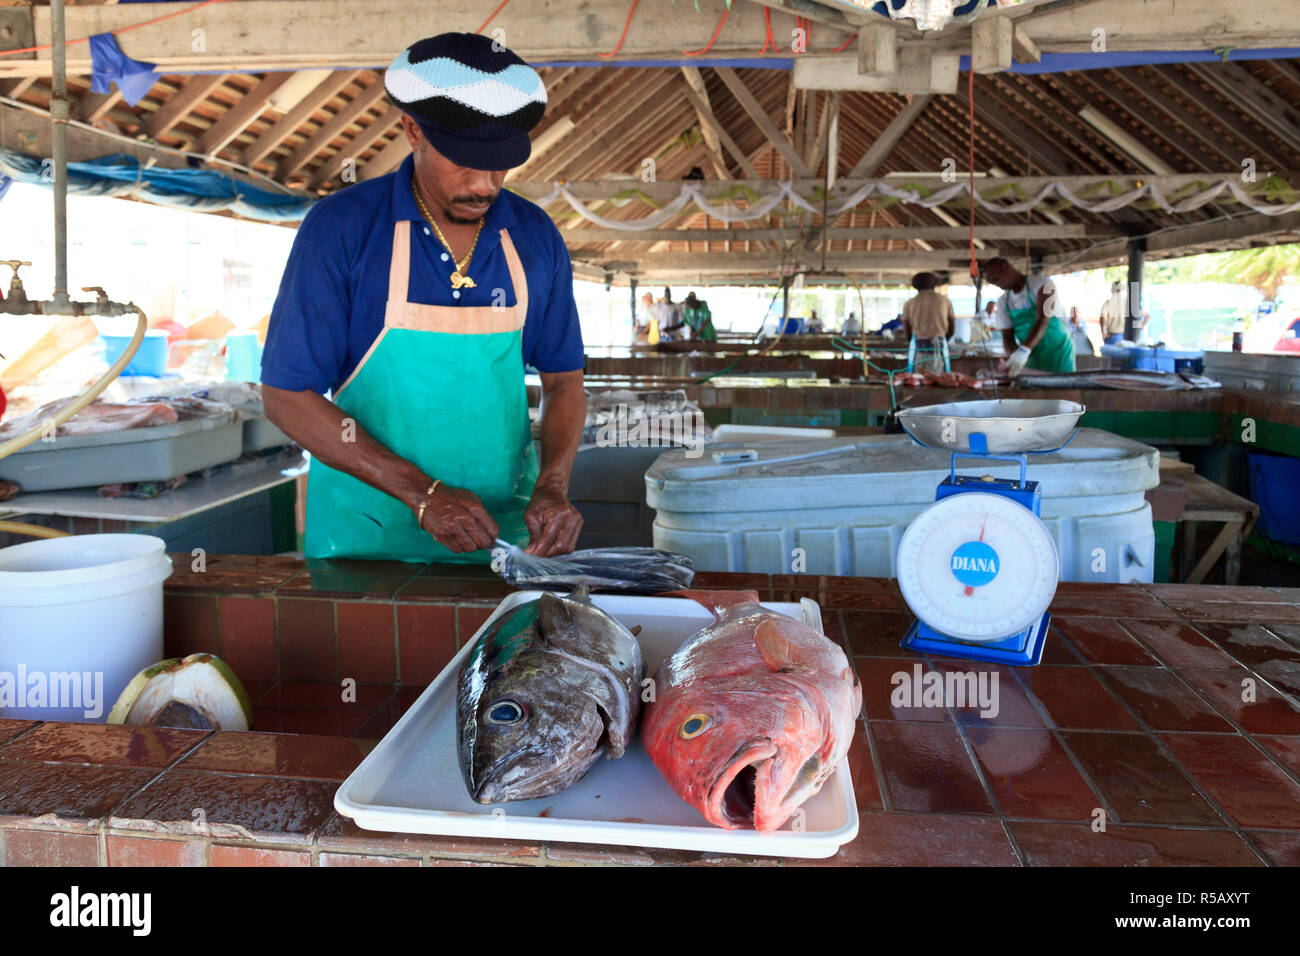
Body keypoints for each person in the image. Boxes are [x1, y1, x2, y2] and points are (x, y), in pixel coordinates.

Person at [261, 32, 585, 562]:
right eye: (464, 162)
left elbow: (564, 380)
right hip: (366, 537)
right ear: (412, 130)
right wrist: (419, 493)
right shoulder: (342, 229)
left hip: (502, 535)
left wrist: (552, 486)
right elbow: (285, 396)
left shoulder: (534, 235)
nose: (484, 185)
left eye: (500, 165)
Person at [981, 257, 1075, 375]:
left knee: (1062, 388)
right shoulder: (1003, 301)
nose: (996, 283)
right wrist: (1015, 357)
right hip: (1031, 355)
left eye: (995, 278)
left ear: (1006, 267)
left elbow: (1043, 320)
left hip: (1058, 352)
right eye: (992, 282)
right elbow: (1008, 338)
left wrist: (1023, 351)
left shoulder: (1045, 284)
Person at [901, 272, 956, 372]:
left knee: (919, 376)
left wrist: (912, 341)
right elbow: (952, 326)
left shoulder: (910, 303)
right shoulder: (944, 300)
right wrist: (944, 339)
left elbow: (907, 328)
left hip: (919, 345)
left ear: (915, 285)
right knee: (941, 376)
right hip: (940, 344)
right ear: (934, 284)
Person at [1099, 280, 1125, 345]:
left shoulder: (1109, 302)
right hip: (1126, 338)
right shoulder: (1128, 302)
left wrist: (1103, 332)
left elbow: (1102, 317)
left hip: (1113, 337)